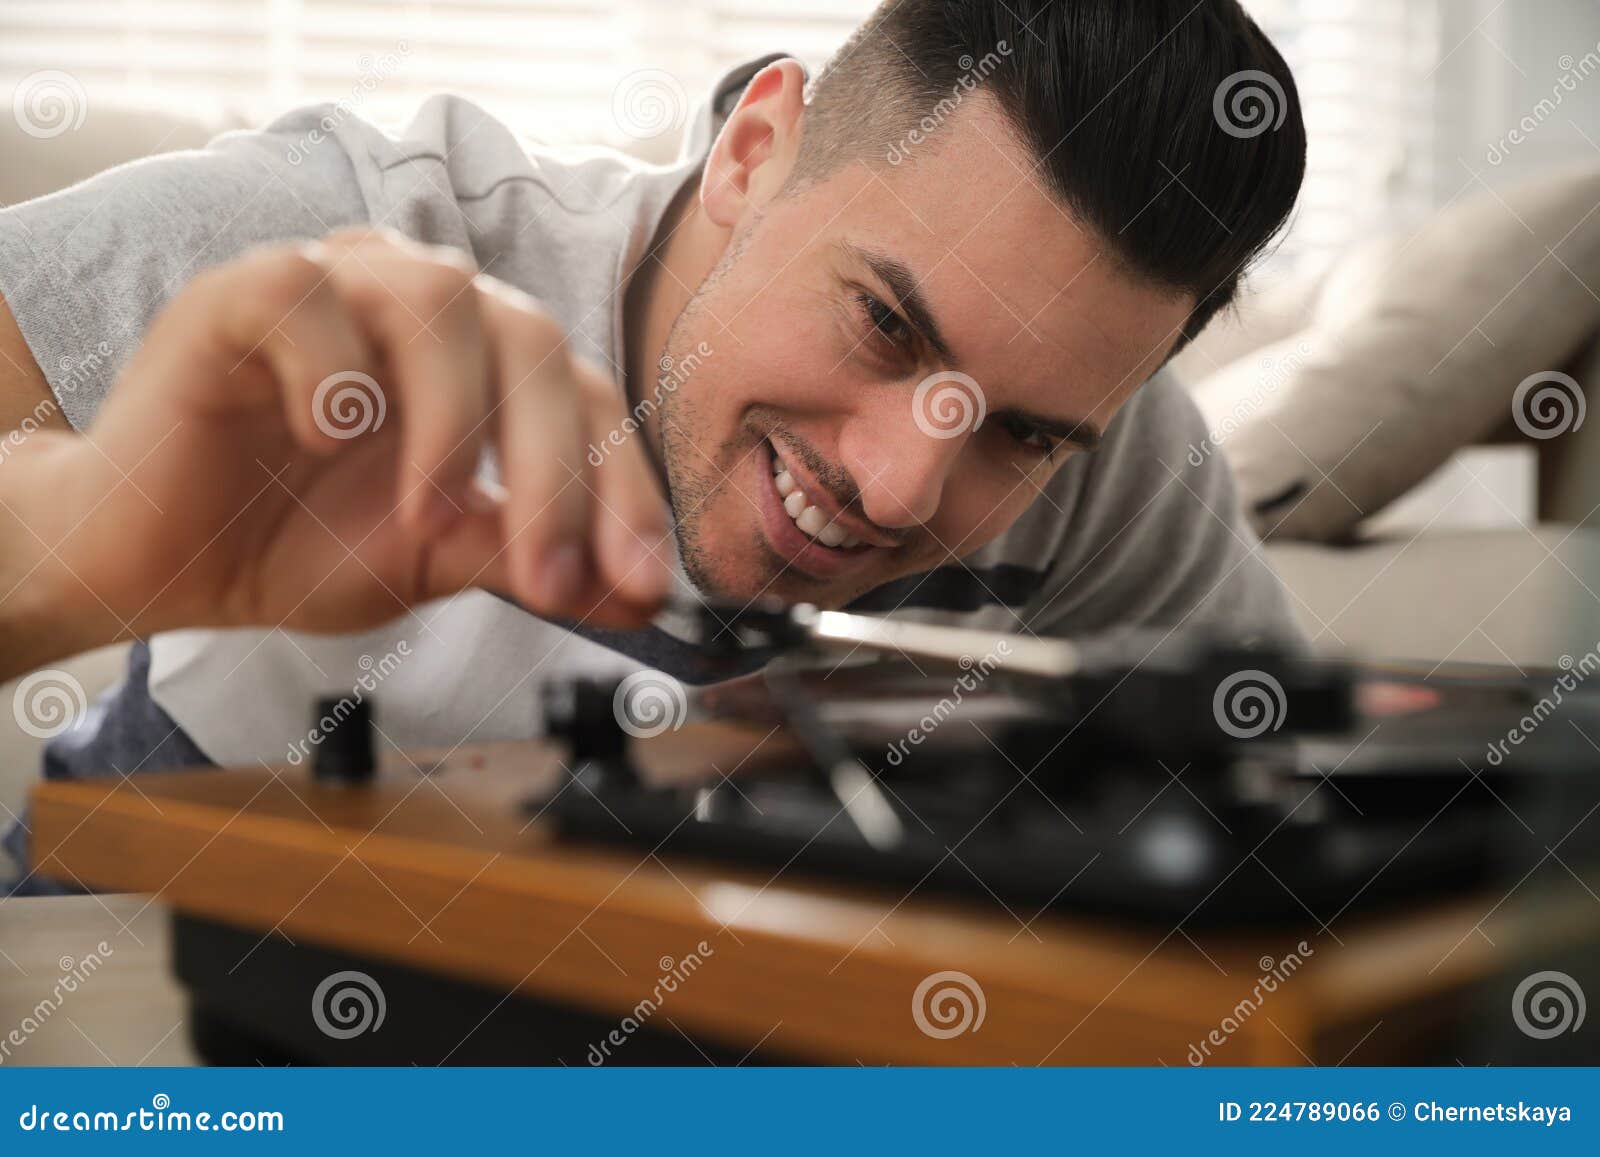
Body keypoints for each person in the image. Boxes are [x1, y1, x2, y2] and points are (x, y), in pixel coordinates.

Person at [0, 0, 1306, 891]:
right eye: (885, 322)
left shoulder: (1121, 463)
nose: (901, 485)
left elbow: (1302, 824)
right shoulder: (339, 243)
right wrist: (97, 543)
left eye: (1020, 433)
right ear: (752, 153)